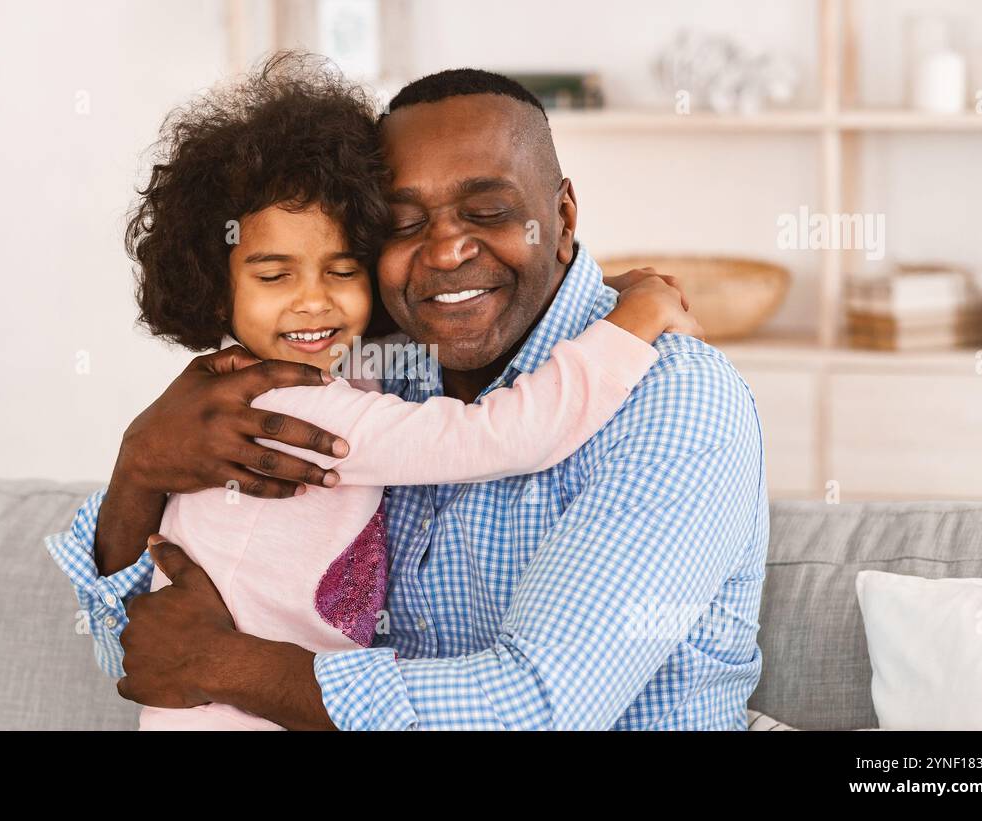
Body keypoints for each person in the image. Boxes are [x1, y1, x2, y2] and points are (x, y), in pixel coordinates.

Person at [48, 63, 768, 730]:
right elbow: (140, 658)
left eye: (486, 211)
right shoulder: (366, 371)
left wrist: (222, 663)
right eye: (404, 223)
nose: (447, 250)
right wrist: (138, 468)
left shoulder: (671, 397)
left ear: (564, 217)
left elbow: (540, 709)